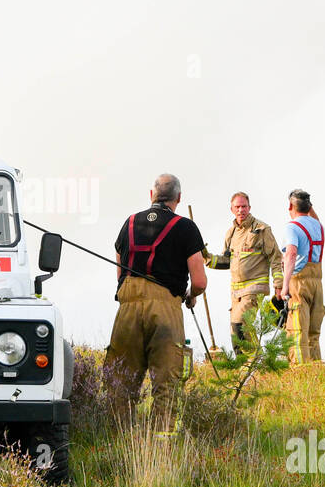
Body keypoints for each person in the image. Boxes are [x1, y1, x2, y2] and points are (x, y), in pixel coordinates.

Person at [105, 173, 207, 432]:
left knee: (120, 380)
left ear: (151, 195)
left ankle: (120, 441)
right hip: (164, 308)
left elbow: (120, 271)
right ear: (179, 198)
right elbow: (200, 281)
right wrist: (191, 295)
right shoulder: (185, 227)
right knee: (166, 382)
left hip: (127, 306)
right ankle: (161, 446)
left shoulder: (128, 223)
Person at [203, 192, 283, 352]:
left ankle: (254, 362)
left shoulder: (262, 229)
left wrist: (278, 284)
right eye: (237, 207)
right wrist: (205, 256)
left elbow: (276, 257)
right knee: (235, 331)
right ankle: (245, 366)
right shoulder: (230, 233)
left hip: (255, 289)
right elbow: (226, 261)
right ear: (231, 209)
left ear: (249, 207)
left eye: (244, 206)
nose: (241, 210)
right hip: (236, 292)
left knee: (241, 324)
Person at [276, 189, 325, 364]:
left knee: (297, 330)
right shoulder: (318, 226)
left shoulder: (292, 227)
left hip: (299, 282)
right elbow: (314, 217)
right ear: (309, 206)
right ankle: (316, 367)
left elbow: (290, 254)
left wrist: (285, 285)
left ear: (290, 205)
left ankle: (300, 370)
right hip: (317, 284)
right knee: (313, 332)